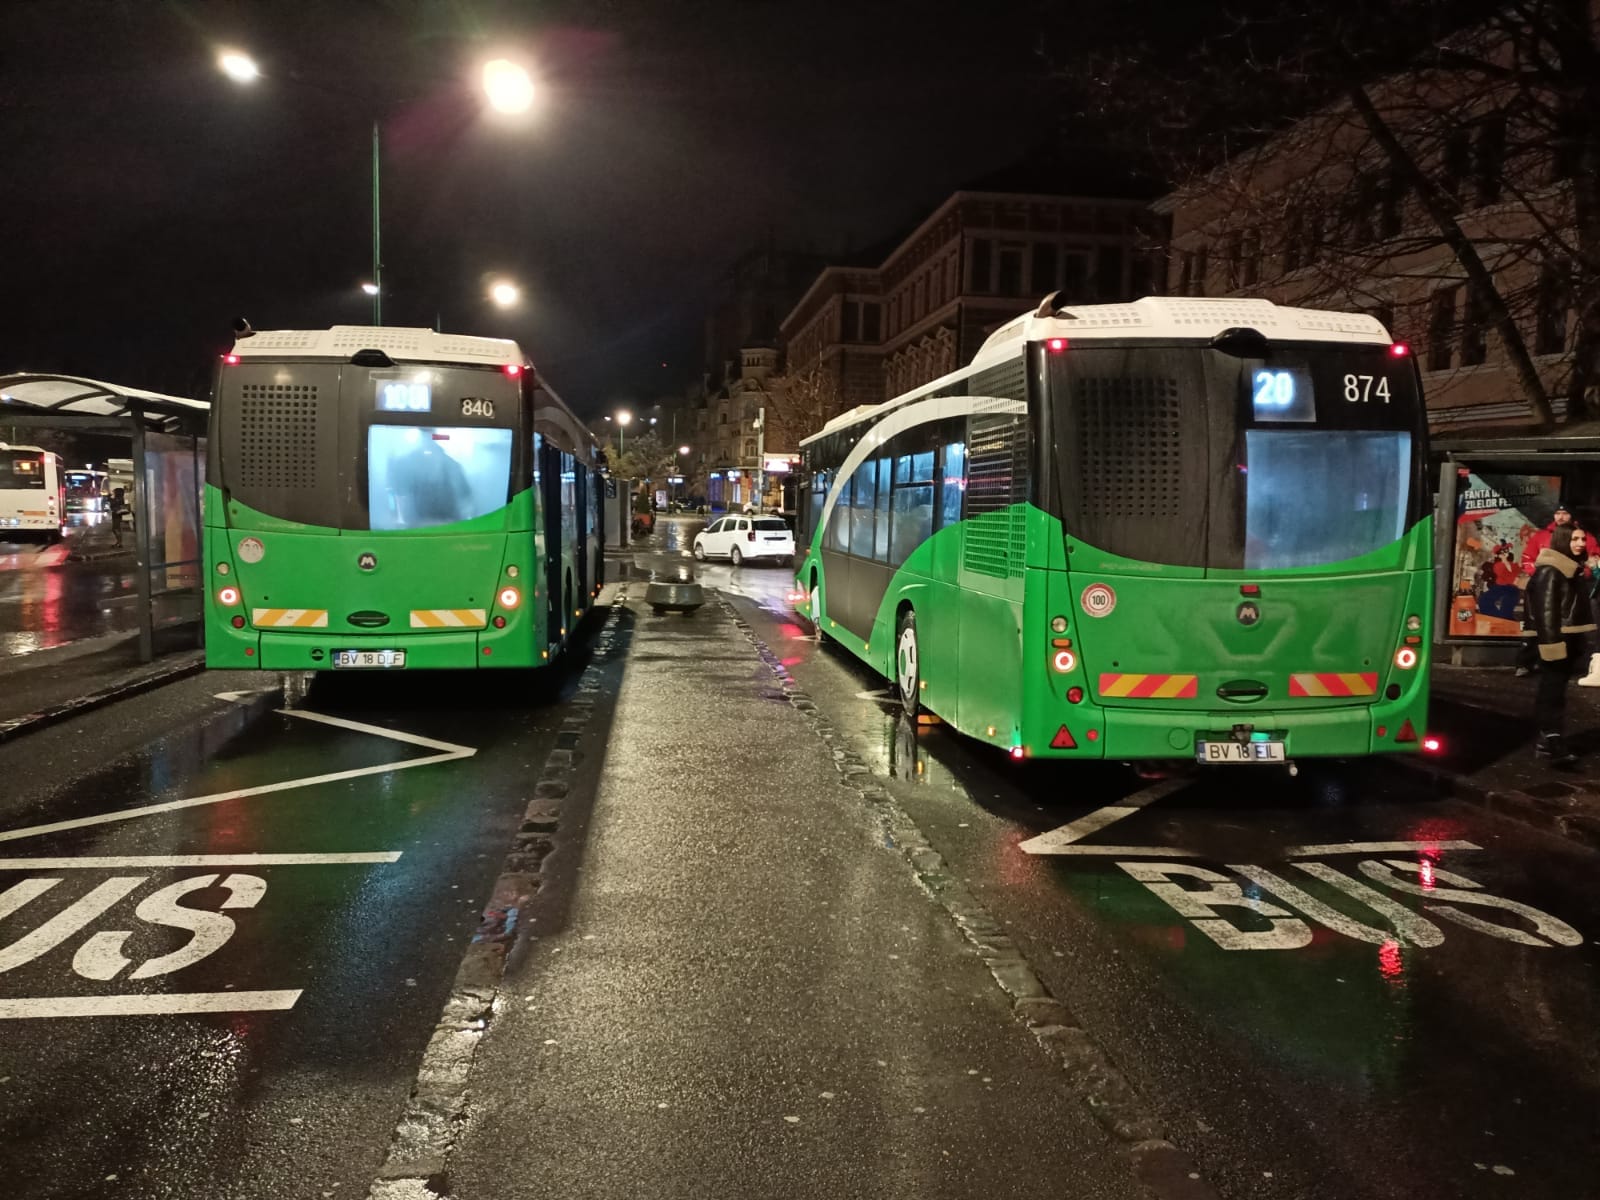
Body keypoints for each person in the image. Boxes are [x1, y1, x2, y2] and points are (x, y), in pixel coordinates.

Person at [1527, 524, 1594, 765]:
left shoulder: (1570, 570)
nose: (1580, 543)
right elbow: (1545, 613)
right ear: (1563, 540)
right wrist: (1551, 645)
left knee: (1556, 691)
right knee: (1551, 692)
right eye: (1575, 539)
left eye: (1582, 539)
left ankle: (1548, 740)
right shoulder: (1552, 570)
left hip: (1567, 640)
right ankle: (1551, 741)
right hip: (1556, 641)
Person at [1517, 504, 1575, 675]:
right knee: (1535, 625)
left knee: (1561, 627)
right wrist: (1539, 575)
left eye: (1565, 513)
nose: (1561, 517)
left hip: (1567, 588)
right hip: (1543, 587)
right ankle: (1525, 663)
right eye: (1558, 513)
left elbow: (1592, 558)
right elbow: (1527, 558)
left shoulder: (1580, 536)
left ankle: (1552, 665)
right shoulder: (1541, 536)